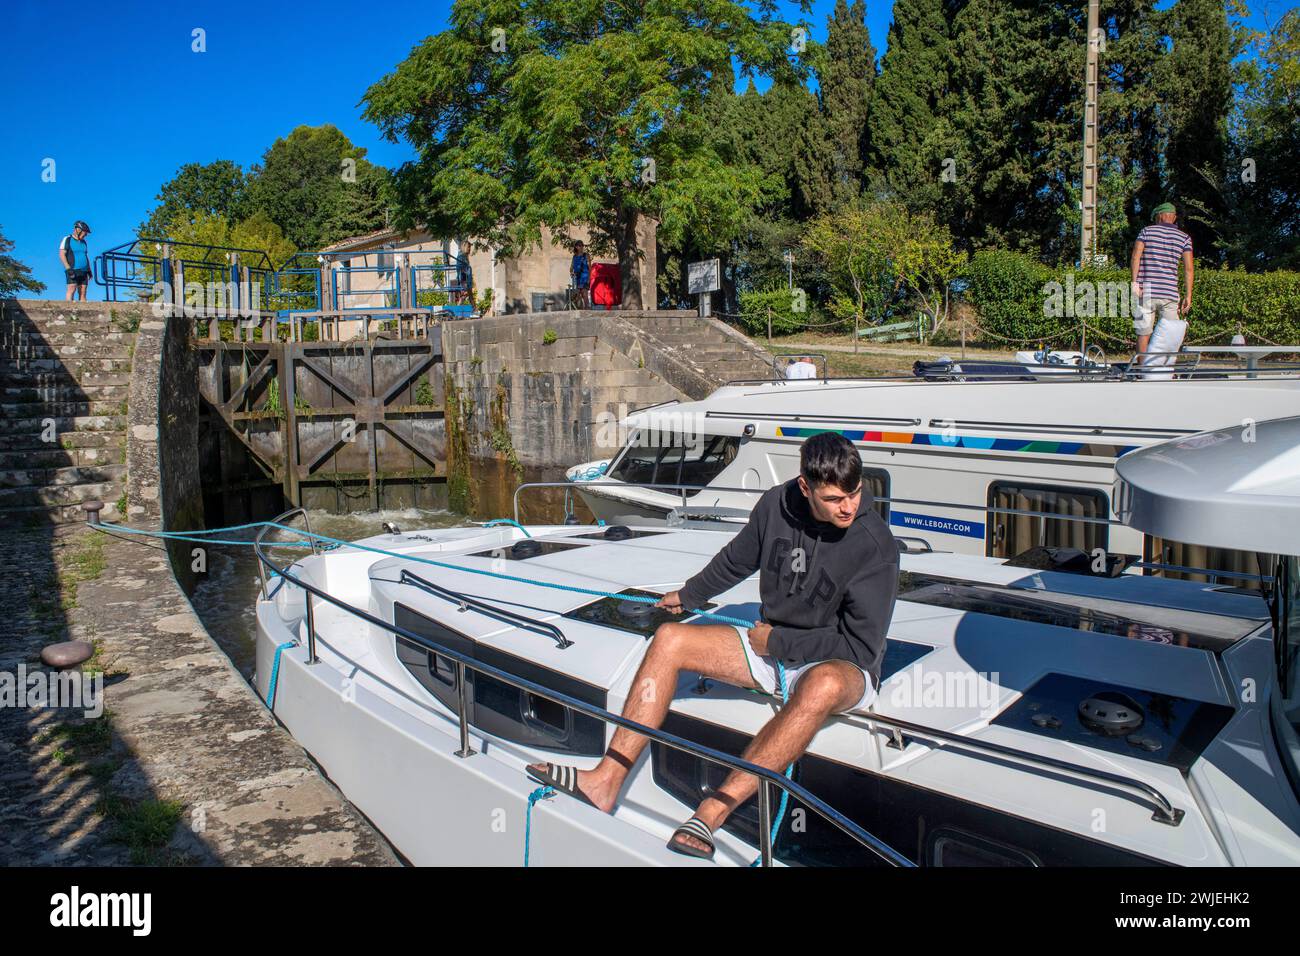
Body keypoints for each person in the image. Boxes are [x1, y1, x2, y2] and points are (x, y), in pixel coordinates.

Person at [527, 432, 899, 860]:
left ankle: (710, 813)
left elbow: (862, 646)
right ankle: (605, 780)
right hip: (773, 647)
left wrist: (778, 640)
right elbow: (737, 559)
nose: (848, 506)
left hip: (838, 664)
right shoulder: (776, 505)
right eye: (834, 499)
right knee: (670, 639)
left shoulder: (874, 545)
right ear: (805, 487)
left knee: (822, 686)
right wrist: (688, 596)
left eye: (854, 493)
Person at [1130, 202, 1193, 369]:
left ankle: (1143, 371)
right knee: (1171, 334)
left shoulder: (1146, 231)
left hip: (1146, 292)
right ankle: (1165, 371)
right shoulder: (1184, 238)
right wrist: (1188, 295)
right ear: (1174, 217)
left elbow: (1136, 257)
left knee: (1143, 333)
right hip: (1169, 293)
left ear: (1159, 216)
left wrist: (1134, 282)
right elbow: (1188, 269)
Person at [59, 221, 92, 301]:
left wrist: (89, 270)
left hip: (84, 270)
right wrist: (68, 268)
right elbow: (62, 254)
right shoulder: (67, 239)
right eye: (85, 232)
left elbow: (85, 255)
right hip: (72, 268)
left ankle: (83, 308)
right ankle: (69, 307)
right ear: (78, 230)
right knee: (72, 288)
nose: (86, 235)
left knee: (83, 291)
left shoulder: (84, 242)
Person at [569, 241, 590, 309]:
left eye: (582, 246)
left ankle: (587, 310)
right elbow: (571, 267)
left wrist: (589, 279)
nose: (581, 247)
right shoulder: (574, 257)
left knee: (584, 294)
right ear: (576, 247)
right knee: (577, 296)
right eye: (580, 246)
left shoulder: (586, 255)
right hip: (577, 278)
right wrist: (571, 272)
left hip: (585, 278)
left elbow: (590, 268)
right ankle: (580, 310)